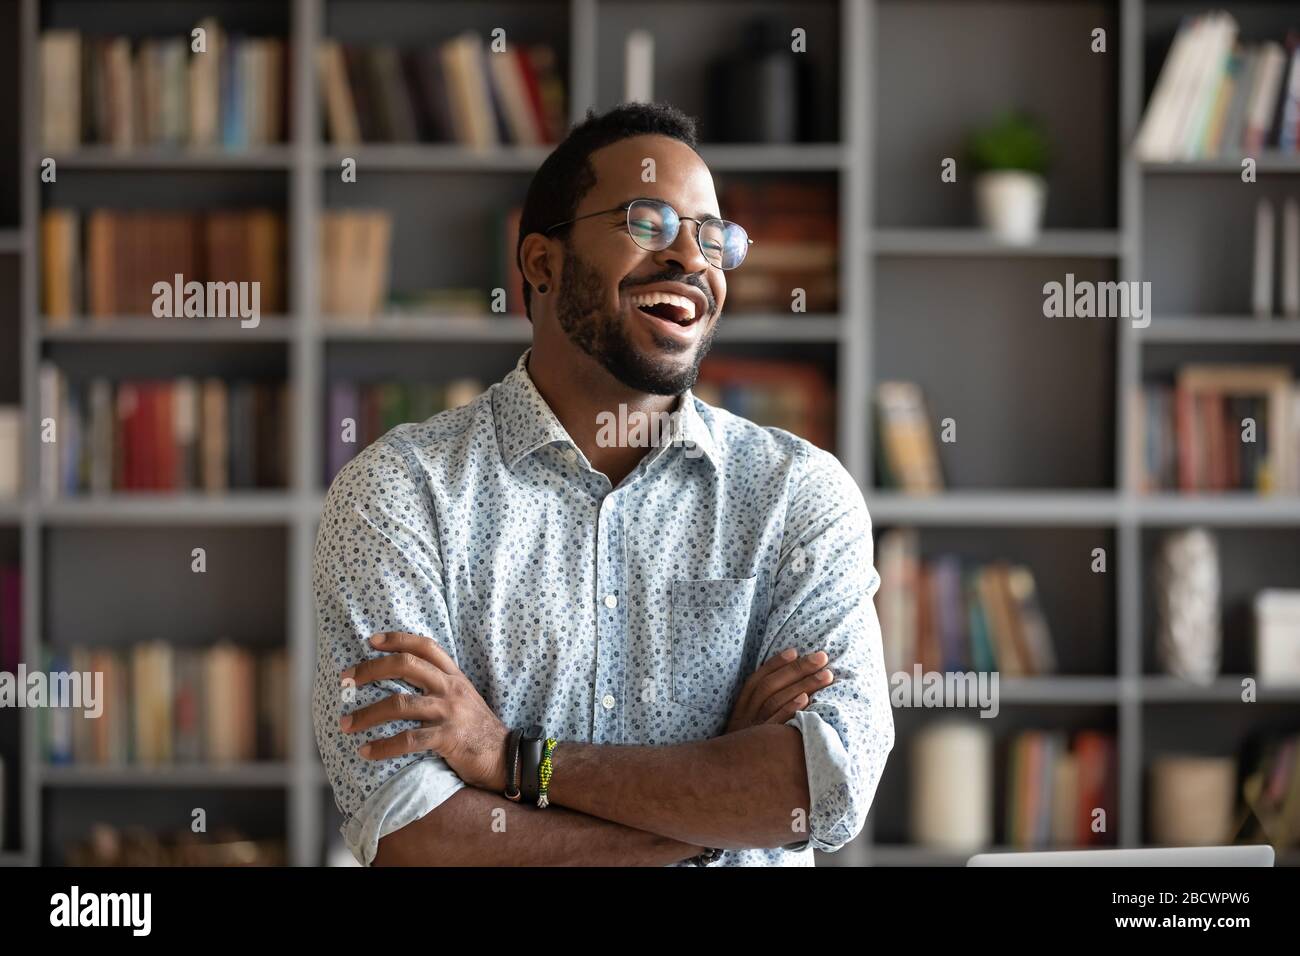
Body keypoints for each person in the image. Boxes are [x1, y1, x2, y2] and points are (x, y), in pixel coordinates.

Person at [312, 102, 894, 866]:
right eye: (649, 222)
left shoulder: (798, 498)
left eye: (713, 238)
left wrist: (512, 761)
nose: (692, 259)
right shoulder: (399, 494)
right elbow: (418, 836)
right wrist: (716, 804)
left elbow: (821, 790)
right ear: (542, 264)